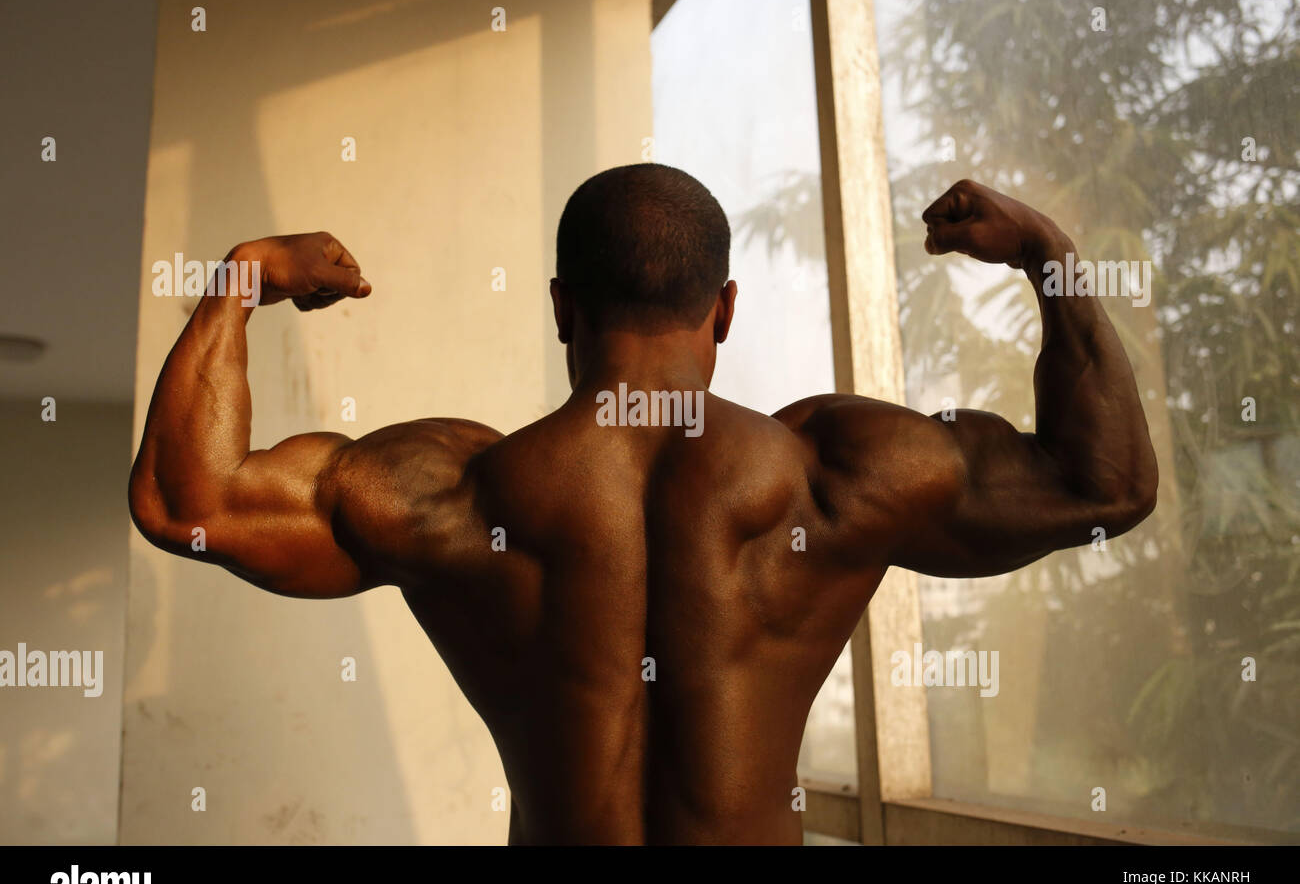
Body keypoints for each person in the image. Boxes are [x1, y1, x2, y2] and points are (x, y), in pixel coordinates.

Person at [129, 165, 1157, 844]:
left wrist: (242, 280)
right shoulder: (835, 472)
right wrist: (1047, 253)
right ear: (723, 308)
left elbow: (187, 500)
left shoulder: (454, 490)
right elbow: (1103, 483)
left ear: (563, 307)